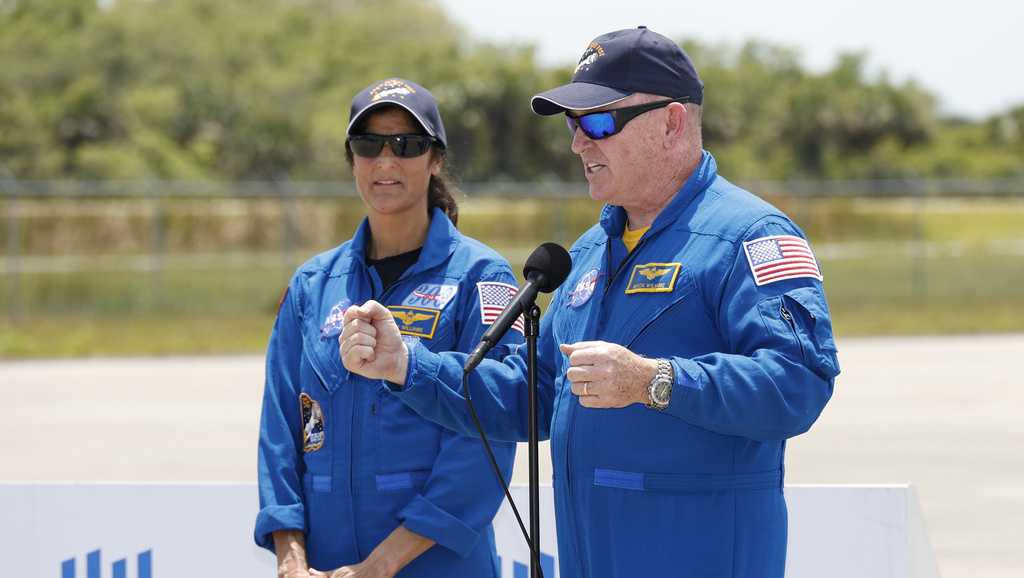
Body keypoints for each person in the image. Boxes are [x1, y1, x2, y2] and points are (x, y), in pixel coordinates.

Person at [340, 28, 841, 578]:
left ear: (672, 122)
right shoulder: (586, 254)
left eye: (599, 121)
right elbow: (533, 395)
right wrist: (406, 364)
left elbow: (799, 381)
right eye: (573, 126)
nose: (580, 143)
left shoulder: (750, 236)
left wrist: (655, 380)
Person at [255, 78, 520, 578]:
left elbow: (488, 433)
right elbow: (279, 431)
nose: (386, 161)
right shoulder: (313, 284)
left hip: (437, 564)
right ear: (351, 159)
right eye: (368, 144)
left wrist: (379, 567)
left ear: (435, 159)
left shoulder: (482, 278)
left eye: (407, 145)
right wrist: (291, 560)